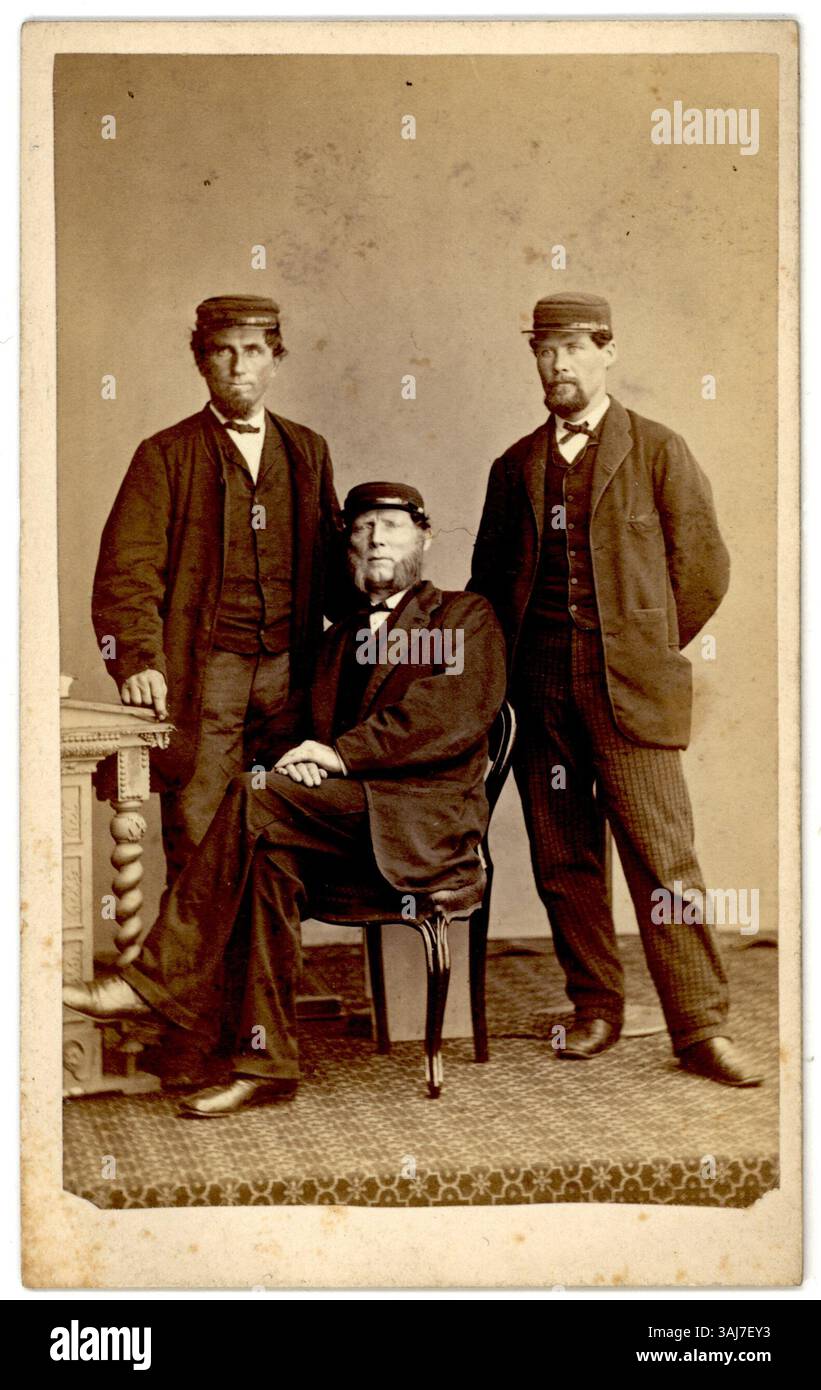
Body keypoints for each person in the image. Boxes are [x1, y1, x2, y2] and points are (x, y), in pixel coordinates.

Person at [66, 482, 507, 1116]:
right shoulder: (337, 641)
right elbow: (286, 734)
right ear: (348, 551)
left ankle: (150, 983)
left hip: (423, 822)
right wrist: (258, 759)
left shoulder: (464, 617)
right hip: (343, 827)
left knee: (257, 801)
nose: (375, 538)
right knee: (267, 849)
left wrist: (335, 756)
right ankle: (267, 1064)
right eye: (360, 529)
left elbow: (444, 715)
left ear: (425, 538)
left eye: (391, 525)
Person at [470, 291, 761, 1087]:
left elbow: (703, 571)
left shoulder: (658, 450)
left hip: (628, 685)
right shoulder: (515, 466)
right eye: (543, 350)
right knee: (563, 857)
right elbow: (488, 590)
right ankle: (594, 1007)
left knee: (663, 859)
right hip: (538, 688)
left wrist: (640, 645)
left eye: (572, 348)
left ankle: (699, 1028)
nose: (557, 364)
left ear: (606, 352)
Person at [92, 294, 347, 889]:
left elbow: (335, 572)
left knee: (282, 823)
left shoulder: (307, 451)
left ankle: (266, 983)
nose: (239, 366)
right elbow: (126, 571)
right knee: (200, 826)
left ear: (275, 360)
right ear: (202, 363)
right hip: (206, 675)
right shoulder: (165, 455)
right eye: (223, 352)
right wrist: (138, 659)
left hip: (290, 674)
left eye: (253, 351)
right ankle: (196, 983)